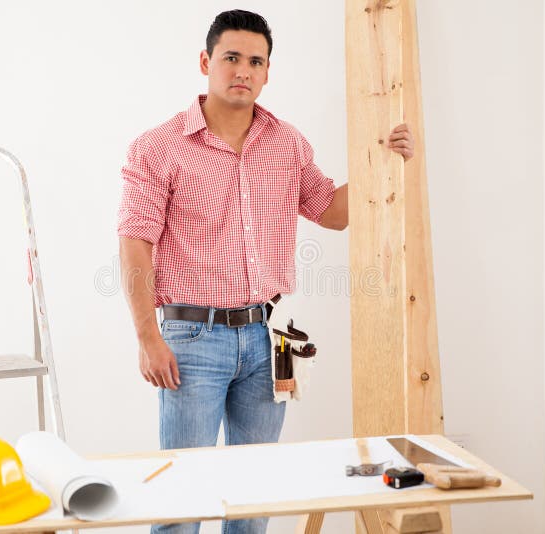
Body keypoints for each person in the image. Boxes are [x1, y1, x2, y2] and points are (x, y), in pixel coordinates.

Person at [117, 10, 414, 534]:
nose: (243, 70)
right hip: (191, 340)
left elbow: (332, 212)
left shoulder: (287, 143)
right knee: (181, 501)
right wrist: (147, 337)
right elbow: (136, 243)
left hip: (266, 339)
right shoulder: (158, 147)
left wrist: (382, 161)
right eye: (231, 57)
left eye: (256, 61)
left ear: (268, 72)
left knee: (254, 501)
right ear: (206, 62)